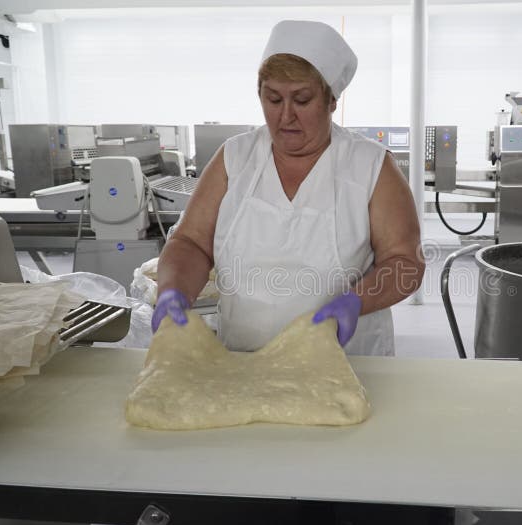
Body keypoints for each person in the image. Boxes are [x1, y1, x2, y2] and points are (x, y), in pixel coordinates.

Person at [151, 20, 424, 356]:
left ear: (331, 100)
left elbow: (405, 262)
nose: (286, 116)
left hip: (346, 362)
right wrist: (173, 290)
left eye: (302, 99)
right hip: (242, 361)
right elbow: (191, 242)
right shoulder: (235, 158)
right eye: (273, 99)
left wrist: (357, 301)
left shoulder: (370, 166)